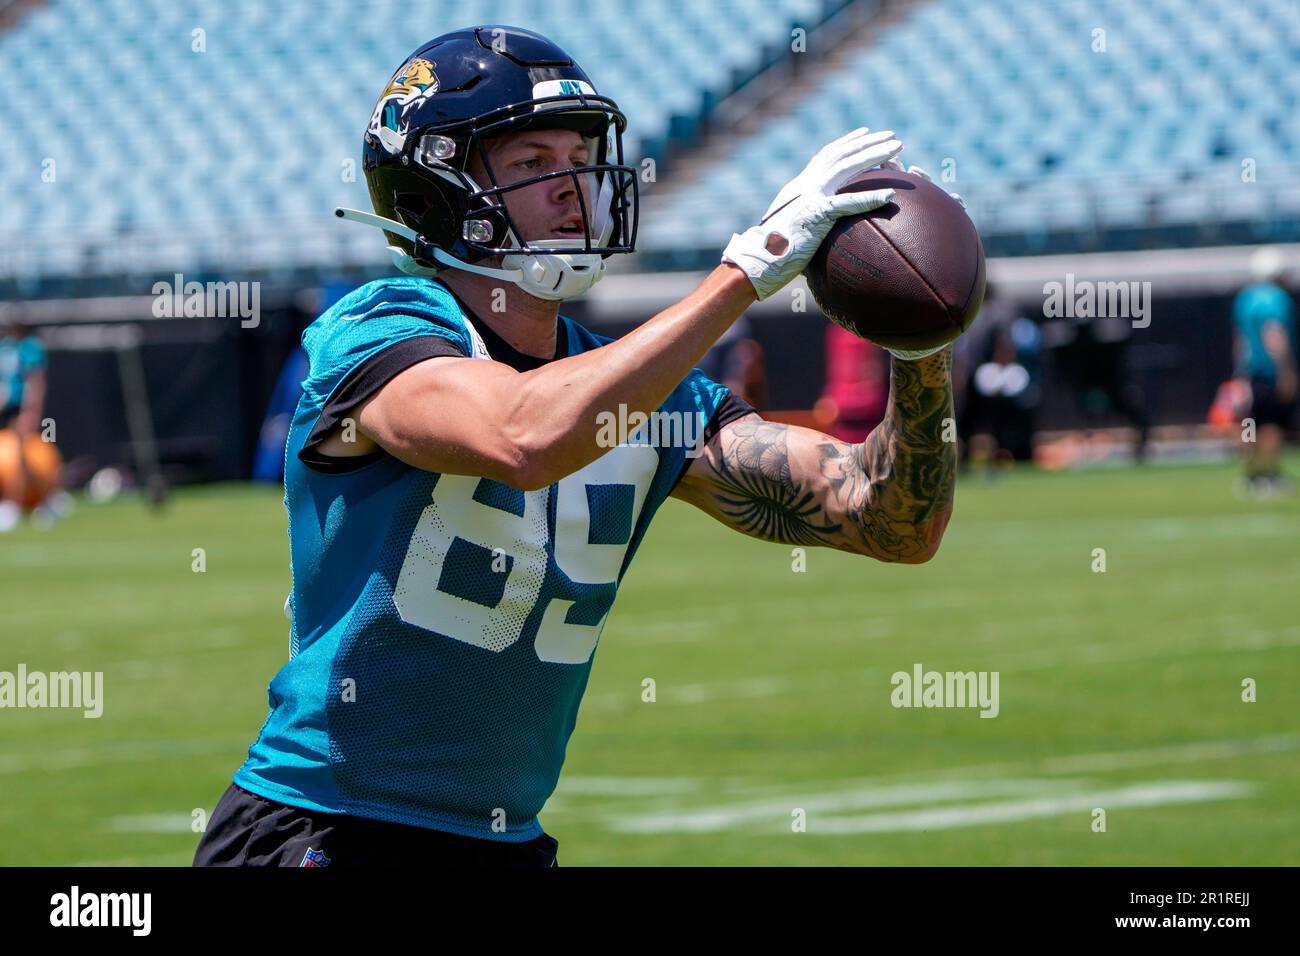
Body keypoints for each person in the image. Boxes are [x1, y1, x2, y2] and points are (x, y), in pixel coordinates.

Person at [193, 25, 966, 868]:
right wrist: (751, 266)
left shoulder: (646, 395)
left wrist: (921, 346)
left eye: (582, 154)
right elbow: (521, 435)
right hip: (326, 829)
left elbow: (890, 521)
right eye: (532, 164)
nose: (575, 186)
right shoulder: (377, 332)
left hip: (505, 844)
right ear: (433, 191)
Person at [1232, 246, 1296, 496]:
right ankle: (1269, 474)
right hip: (1269, 371)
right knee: (1271, 424)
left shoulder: (1245, 298)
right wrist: (1286, 370)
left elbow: (1240, 339)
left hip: (1249, 371)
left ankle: (1251, 474)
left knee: (1249, 423)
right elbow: (1274, 335)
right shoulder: (1277, 299)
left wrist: (1239, 373)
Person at [0, 319, 50, 531]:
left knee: (21, 459)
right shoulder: (4, 348)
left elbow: (35, 381)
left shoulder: (30, 348)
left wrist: (31, 411)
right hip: (4, 407)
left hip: (19, 408)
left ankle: (16, 504)